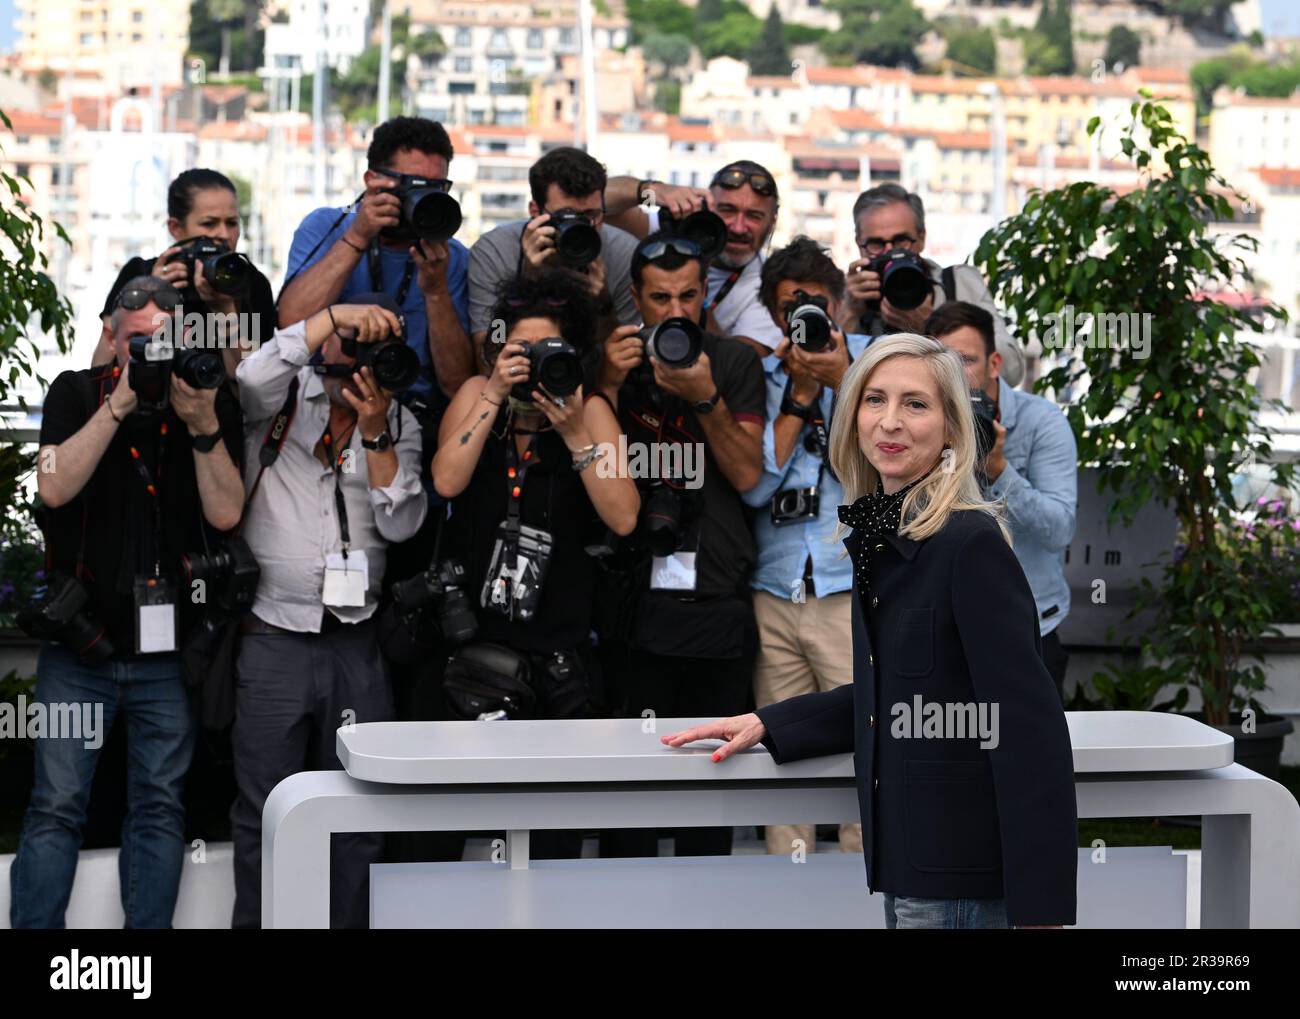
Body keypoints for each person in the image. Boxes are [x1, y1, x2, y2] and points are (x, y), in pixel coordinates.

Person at [663, 333, 1078, 929]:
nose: (890, 421)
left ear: (953, 428)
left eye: (915, 404)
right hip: (908, 867)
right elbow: (900, 698)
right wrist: (771, 723)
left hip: (960, 877)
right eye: (874, 399)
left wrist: (1042, 912)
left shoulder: (969, 543)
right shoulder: (884, 537)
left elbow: (1029, 730)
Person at [11, 276, 245, 928]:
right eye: (137, 341)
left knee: (159, 805)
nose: (149, 356)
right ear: (111, 334)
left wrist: (201, 426)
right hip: (77, 647)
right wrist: (114, 408)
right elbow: (53, 490)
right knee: (57, 804)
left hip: (166, 654)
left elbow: (227, 512)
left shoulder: (202, 403)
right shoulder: (75, 393)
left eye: (161, 343)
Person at [230, 295, 427, 928]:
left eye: (372, 352)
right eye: (348, 344)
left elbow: (402, 524)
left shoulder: (400, 424)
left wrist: (375, 434)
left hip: (355, 640)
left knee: (356, 809)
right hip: (274, 635)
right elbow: (248, 377)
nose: (357, 362)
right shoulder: (281, 400)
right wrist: (332, 316)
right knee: (266, 806)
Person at [432, 270, 639, 858]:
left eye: (549, 348)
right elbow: (447, 480)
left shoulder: (590, 411)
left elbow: (623, 516)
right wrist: (495, 393)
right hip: (475, 645)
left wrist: (574, 431)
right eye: (519, 349)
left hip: (559, 651)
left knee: (552, 826)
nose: (532, 361)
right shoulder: (479, 395)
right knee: (462, 820)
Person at [597, 232, 766, 858]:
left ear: (705, 296)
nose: (674, 312)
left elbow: (748, 475)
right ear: (635, 299)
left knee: (710, 794)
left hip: (716, 596)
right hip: (634, 600)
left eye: (688, 296)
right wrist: (607, 386)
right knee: (633, 794)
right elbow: (590, 459)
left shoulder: (734, 362)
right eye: (659, 297)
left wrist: (705, 398)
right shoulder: (613, 360)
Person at [742, 237, 870, 857]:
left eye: (816, 304)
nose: (805, 318)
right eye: (790, 307)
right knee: (779, 746)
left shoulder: (876, 370)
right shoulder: (761, 377)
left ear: (841, 305)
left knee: (863, 741)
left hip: (854, 584)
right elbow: (755, 483)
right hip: (777, 585)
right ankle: (784, 892)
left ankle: (866, 886)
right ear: (772, 314)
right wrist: (797, 393)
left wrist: (841, 381)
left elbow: (894, 457)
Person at [927, 301, 1078, 700]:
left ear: (995, 363)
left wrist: (998, 469)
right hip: (943, 630)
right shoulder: (922, 420)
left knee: (1029, 754)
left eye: (965, 361)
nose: (954, 376)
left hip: (1028, 629)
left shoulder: (1041, 421)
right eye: (940, 364)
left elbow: (1059, 530)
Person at [277, 116, 474, 416]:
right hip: (324, 403)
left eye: (436, 188)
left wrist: (436, 292)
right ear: (372, 181)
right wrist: (358, 235)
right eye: (411, 188)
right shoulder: (328, 228)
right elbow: (289, 324)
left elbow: (458, 385)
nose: (423, 200)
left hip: (411, 413)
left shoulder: (451, 258)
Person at [840, 182, 1024, 387]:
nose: (890, 253)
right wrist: (849, 314)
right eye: (876, 244)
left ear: (921, 239)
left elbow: (1011, 370)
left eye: (901, 242)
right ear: (859, 244)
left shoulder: (958, 285)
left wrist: (931, 329)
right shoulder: (845, 296)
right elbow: (824, 387)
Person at [96, 169, 277, 377]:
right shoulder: (139, 274)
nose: (224, 235)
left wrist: (225, 311)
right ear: (175, 228)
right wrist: (152, 296)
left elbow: (254, 384)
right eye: (209, 224)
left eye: (232, 223)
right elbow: (101, 368)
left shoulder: (250, 283)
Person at [468, 147, 639, 358]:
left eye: (590, 216)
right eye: (565, 216)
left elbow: (623, 359)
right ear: (535, 212)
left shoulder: (623, 253)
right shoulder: (496, 253)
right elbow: (489, 355)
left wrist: (603, 305)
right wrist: (524, 287)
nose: (580, 228)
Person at [608, 161, 784, 358]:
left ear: (773, 221)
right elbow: (601, 205)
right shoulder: (673, 237)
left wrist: (697, 274)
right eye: (727, 210)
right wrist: (651, 191)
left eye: (754, 216)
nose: (738, 227)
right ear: (706, 209)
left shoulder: (771, 285)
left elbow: (741, 362)